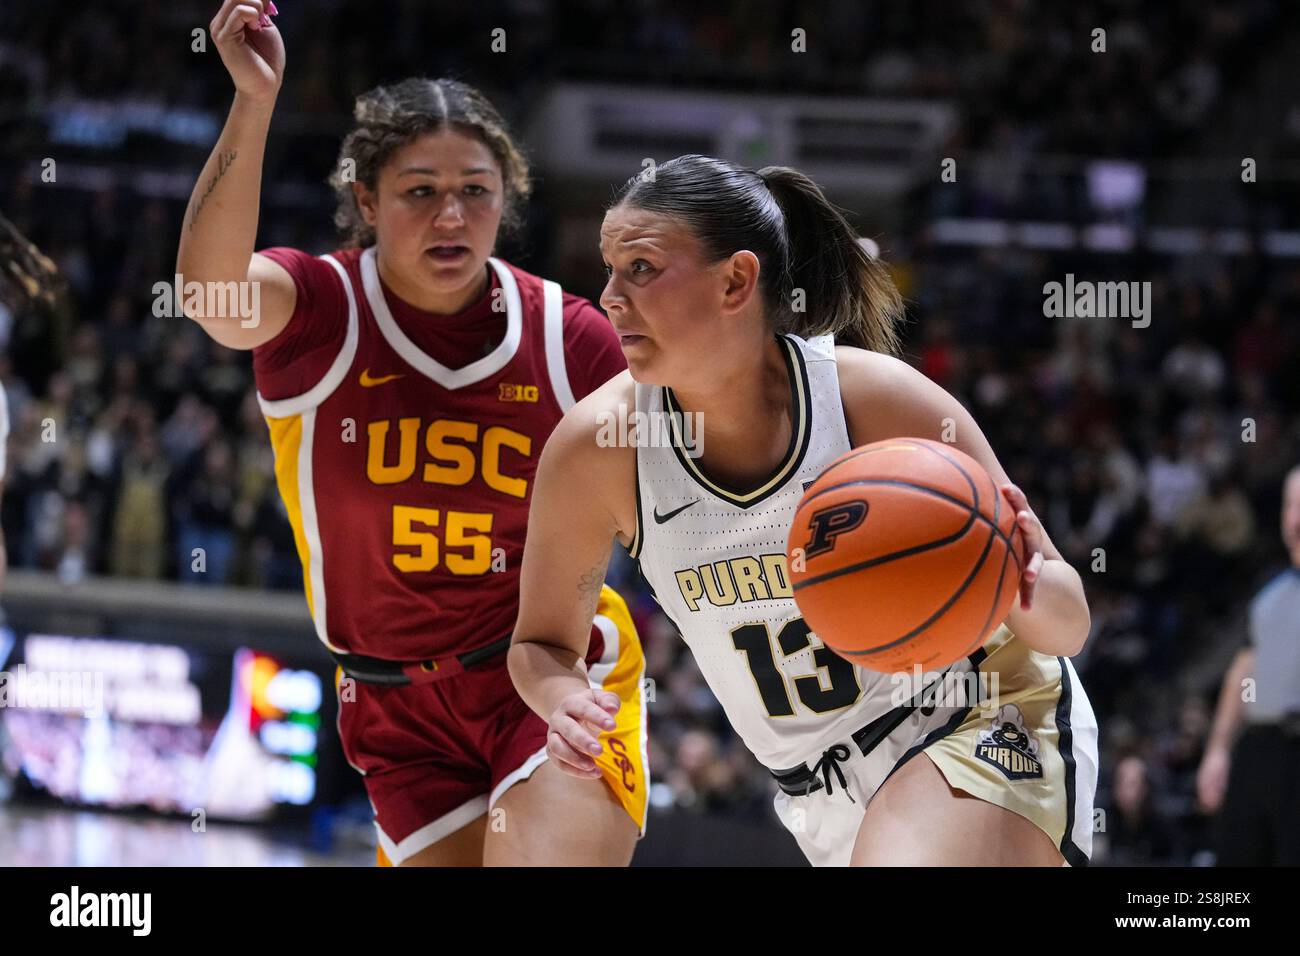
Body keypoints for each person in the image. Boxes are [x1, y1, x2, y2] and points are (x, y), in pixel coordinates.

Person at [510, 154, 1098, 866]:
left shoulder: (875, 401)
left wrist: (1025, 581)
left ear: (736, 281)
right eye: (609, 268)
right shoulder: (597, 448)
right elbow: (539, 646)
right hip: (816, 794)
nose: (609, 296)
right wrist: (562, 701)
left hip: (979, 712)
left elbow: (1066, 625)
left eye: (641, 268)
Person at [177, 0, 646, 866]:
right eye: (420, 193)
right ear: (366, 199)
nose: (451, 218)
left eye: (475, 192)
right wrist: (253, 99)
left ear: (506, 202)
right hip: (391, 707)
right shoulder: (319, 309)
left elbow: (690, 462)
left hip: (544, 673)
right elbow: (208, 295)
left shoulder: (570, 338)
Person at [1197, 463, 1300, 865]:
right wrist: (1219, 749)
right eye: (1290, 506)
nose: (1295, 518)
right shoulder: (1267, 594)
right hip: (1262, 748)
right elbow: (1244, 668)